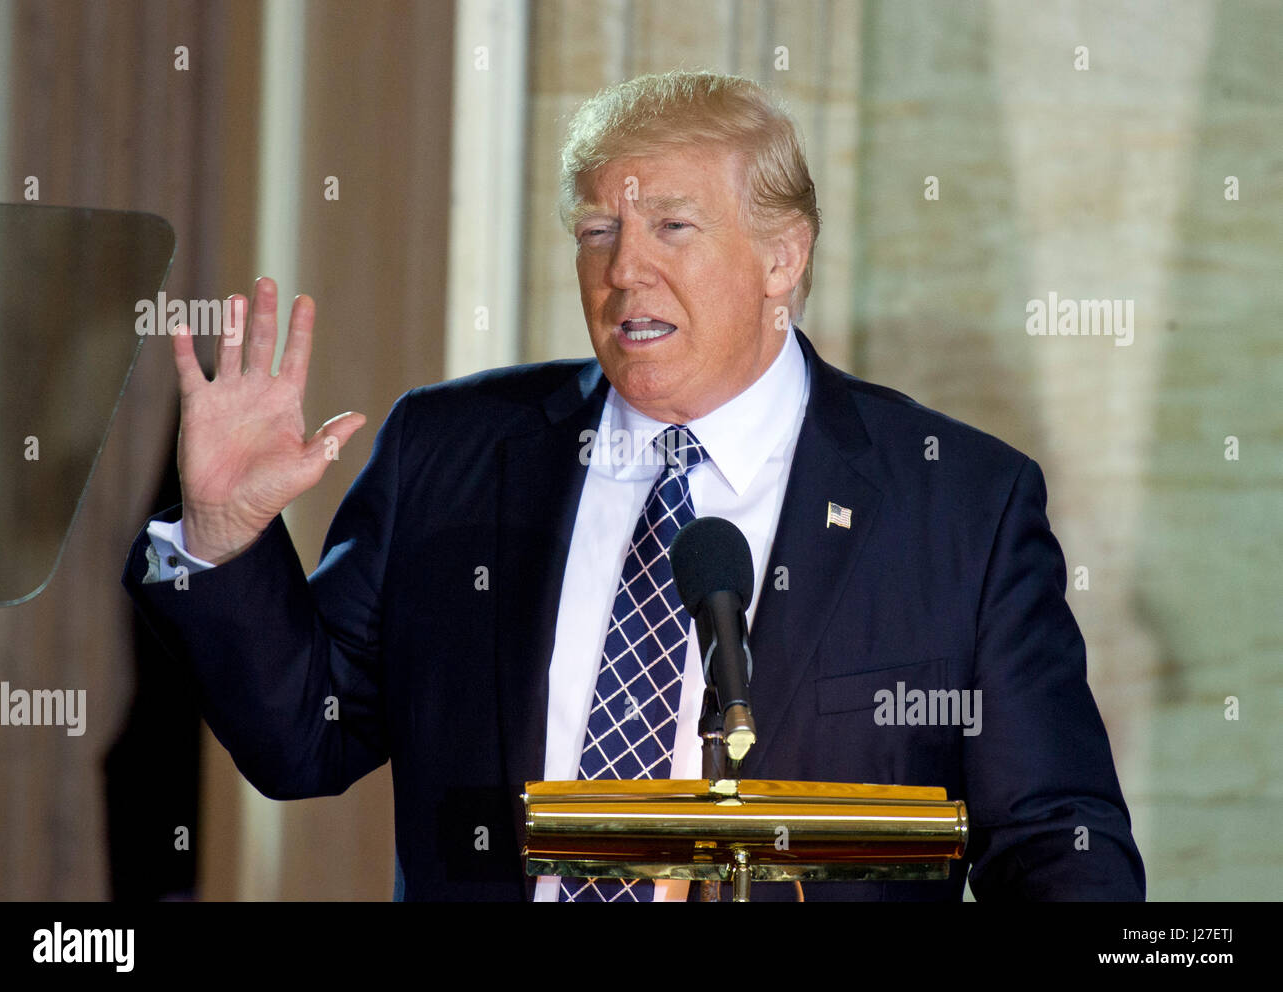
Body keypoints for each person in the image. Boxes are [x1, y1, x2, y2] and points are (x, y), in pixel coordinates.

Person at [123, 70, 1145, 901]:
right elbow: (308, 736)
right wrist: (221, 532)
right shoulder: (452, 450)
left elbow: (1059, 848)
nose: (623, 272)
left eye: (672, 228)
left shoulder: (956, 507)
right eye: (597, 232)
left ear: (782, 256)